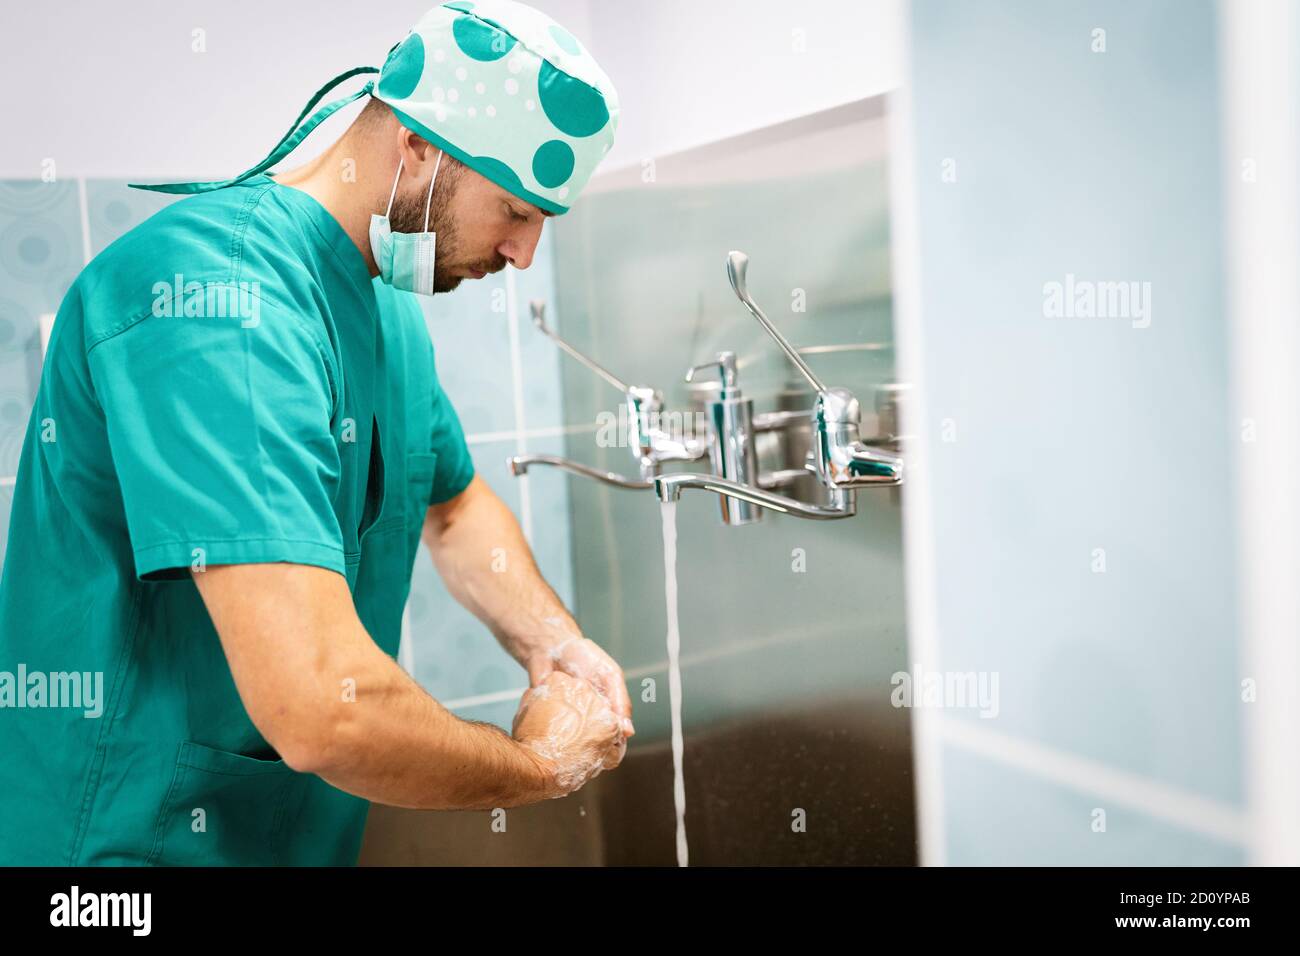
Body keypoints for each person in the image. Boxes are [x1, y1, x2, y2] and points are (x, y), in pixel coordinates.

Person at [0, 0, 632, 866]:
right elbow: (320, 710)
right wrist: (535, 763)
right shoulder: (213, 303)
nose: (524, 254)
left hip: (282, 836)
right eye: (517, 212)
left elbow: (452, 507)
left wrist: (554, 645)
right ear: (420, 149)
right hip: (123, 854)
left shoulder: (385, 308)